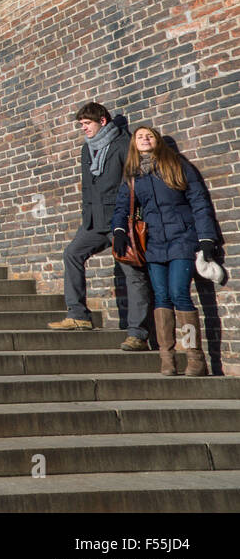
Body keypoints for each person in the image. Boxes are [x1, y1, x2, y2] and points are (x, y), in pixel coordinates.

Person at [112, 125, 220, 376]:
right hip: (154, 243)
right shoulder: (133, 175)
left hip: (182, 238)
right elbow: (121, 209)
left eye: (149, 135)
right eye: (139, 137)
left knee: (179, 294)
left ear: (157, 140)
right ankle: (167, 358)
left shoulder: (176, 164)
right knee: (161, 297)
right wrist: (118, 231)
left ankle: (195, 358)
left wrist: (206, 238)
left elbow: (199, 200)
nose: (145, 139)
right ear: (134, 145)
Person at [48, 102, 152, 350]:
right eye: (81, 125)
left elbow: (132, 182)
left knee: (133, 273)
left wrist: (126, 221)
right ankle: (79, 315)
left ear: (102, 121)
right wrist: (87, 215)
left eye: (87, 124)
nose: (84, 128)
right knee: (72, 253)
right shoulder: (88, 149)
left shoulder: (122, 144)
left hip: (121, 220)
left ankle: (137, 333)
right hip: (94, 220)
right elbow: (87, 186)